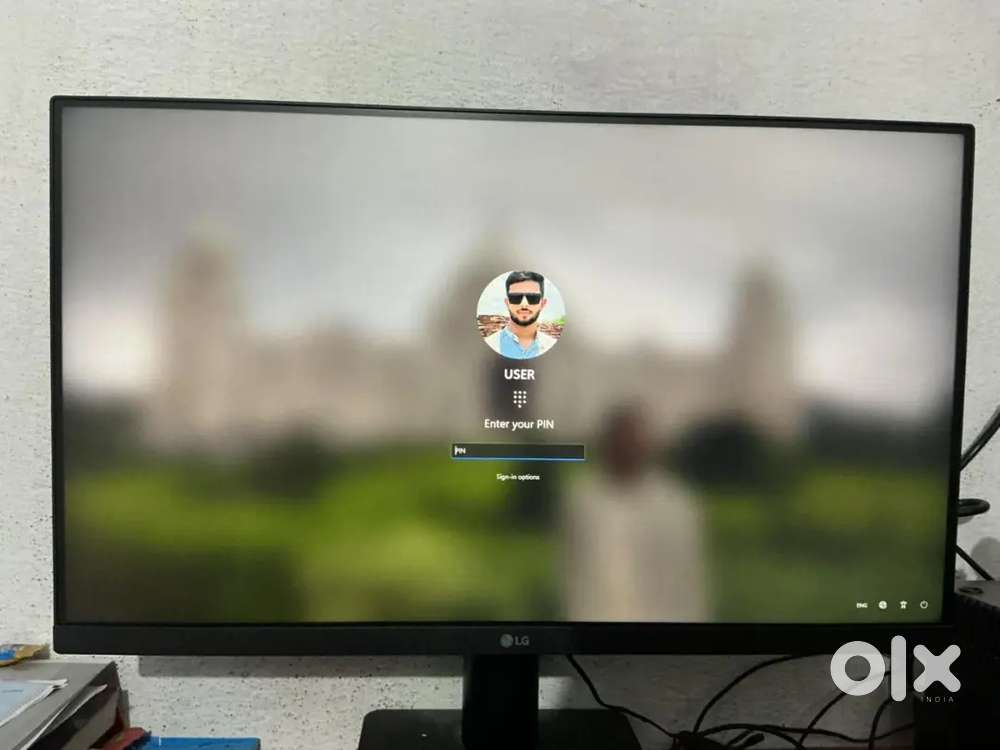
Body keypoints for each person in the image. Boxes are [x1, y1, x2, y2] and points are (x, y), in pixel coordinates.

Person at [562, 403, 709, 621]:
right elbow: (575, 574)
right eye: (619, 441)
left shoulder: (675, 505)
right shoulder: (584, 500)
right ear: (606, 446)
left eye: (633, 440)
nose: (626, 448)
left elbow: (688, 580)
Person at [484, 270, 558, 360]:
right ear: (507, 303)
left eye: (533, 298)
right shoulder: (490, 345)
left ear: (542, 304)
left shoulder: (553, 348)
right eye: (516, 297)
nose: (524, 304)